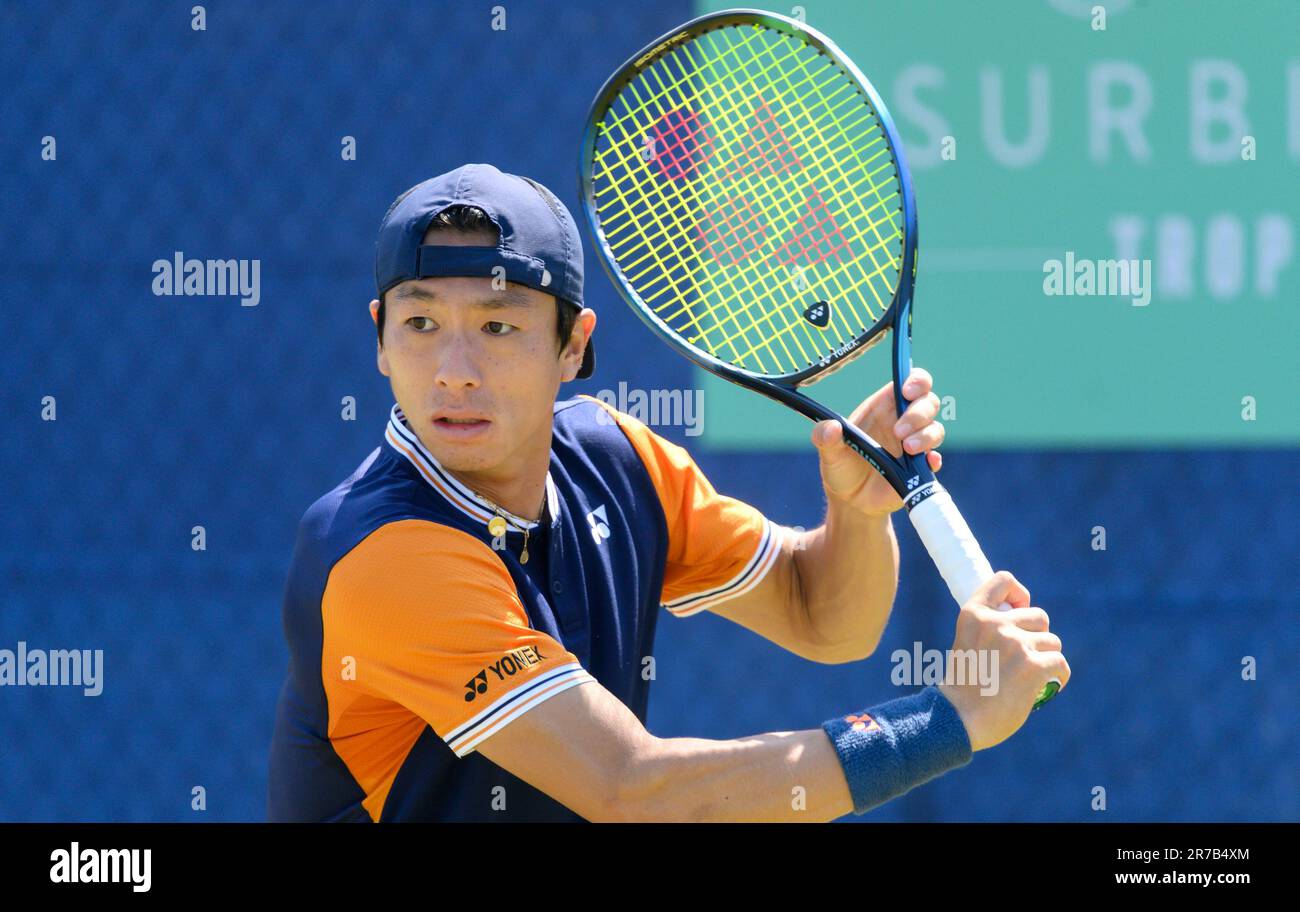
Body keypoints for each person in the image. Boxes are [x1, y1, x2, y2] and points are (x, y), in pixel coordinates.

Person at [267, 162, 1069, 822]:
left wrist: (856, 514)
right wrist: (946, 722)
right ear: (379, 337)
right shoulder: (386, 557)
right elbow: (630, 789)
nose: (454, 369)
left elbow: (824, 616)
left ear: (574, 346)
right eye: (420, 324)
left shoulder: (616, 460)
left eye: (499, 325)